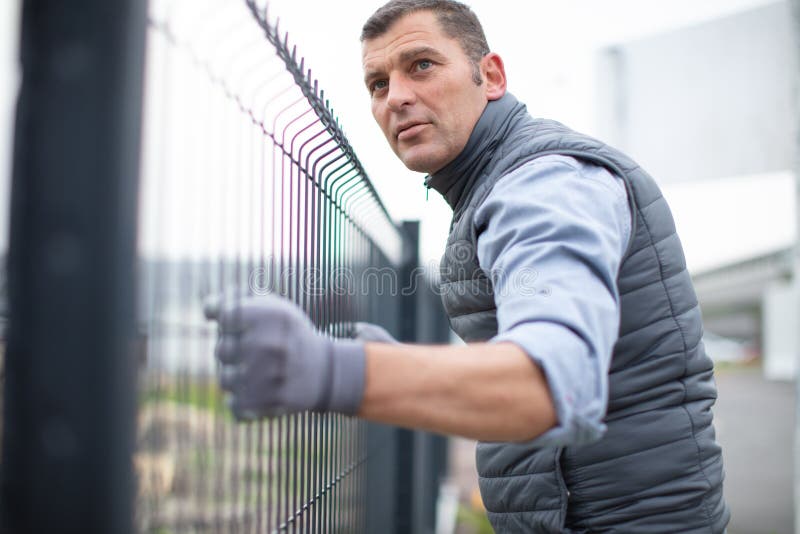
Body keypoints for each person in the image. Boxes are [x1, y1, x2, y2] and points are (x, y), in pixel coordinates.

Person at [205, 1, 730, 531]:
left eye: (422, 65)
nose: (398, 97)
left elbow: (550, 387)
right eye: (378, 84)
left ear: (491, 76)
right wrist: (395, 368)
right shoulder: (490, 184)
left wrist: (333, 371)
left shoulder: (543, 184)